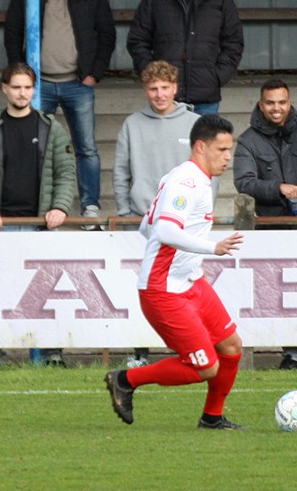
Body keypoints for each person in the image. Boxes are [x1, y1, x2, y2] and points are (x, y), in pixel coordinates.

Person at [105, 114, 247, 430]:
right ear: (200, 146)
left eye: (230, 150)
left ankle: (212, 417)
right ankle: (125, 379)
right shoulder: (187, 181)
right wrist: (213, 248)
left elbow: (148, 226)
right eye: (222, 149)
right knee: (205, 367)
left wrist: (186, 262)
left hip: (189, 282)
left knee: (231, 347)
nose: (228, 157)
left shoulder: (195, 179)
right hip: (163, 289)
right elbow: (166, 231)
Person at [0, 63, 76, 365]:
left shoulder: (50, 127)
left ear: (34, 88)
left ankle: (52, 356)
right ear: (4, 89)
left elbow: (66, 172)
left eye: (27, 87)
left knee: (49, 295)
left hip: (41, 226)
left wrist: (60, 206)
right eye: (16, 87)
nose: (22, 93)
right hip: (0, 227)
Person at [4, 0, 116, 226]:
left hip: (78, 84)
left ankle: (90, 207)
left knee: (86, 149)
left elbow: (107, 33)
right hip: (38, 86)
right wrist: (20, 75)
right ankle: (41, 207)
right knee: (36, 147)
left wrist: (95, 72)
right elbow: (12, 31)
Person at [113, 59, 200, 367]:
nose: (160, 94)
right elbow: (121, 172)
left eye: (165, 87)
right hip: (142, 224)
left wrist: (194, 220)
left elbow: (207, 175)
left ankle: (185, 348)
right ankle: (138, 352)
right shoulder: (131, 124)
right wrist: (125, 212)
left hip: (181, 228)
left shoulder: (194, 124)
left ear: (175, 88)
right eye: (153, 88)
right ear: (145, 90)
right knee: (143, 292)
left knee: (179, 291)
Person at [233, 78, 297, 370]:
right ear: (261, 104)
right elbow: (243, 182)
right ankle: (292, 354)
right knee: (279, 295)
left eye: (282, 102)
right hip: (271, 230)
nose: (276, 108)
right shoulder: (247, 140)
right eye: (270, 103)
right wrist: (278, 188)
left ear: (290, 102)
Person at [126, 0, 244, 115]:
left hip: (206, 97)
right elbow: (137, 40)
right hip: (166, 97)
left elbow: (233, 41)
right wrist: (153, 76)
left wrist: (217, 76)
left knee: (204, 143)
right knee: (168, 144)